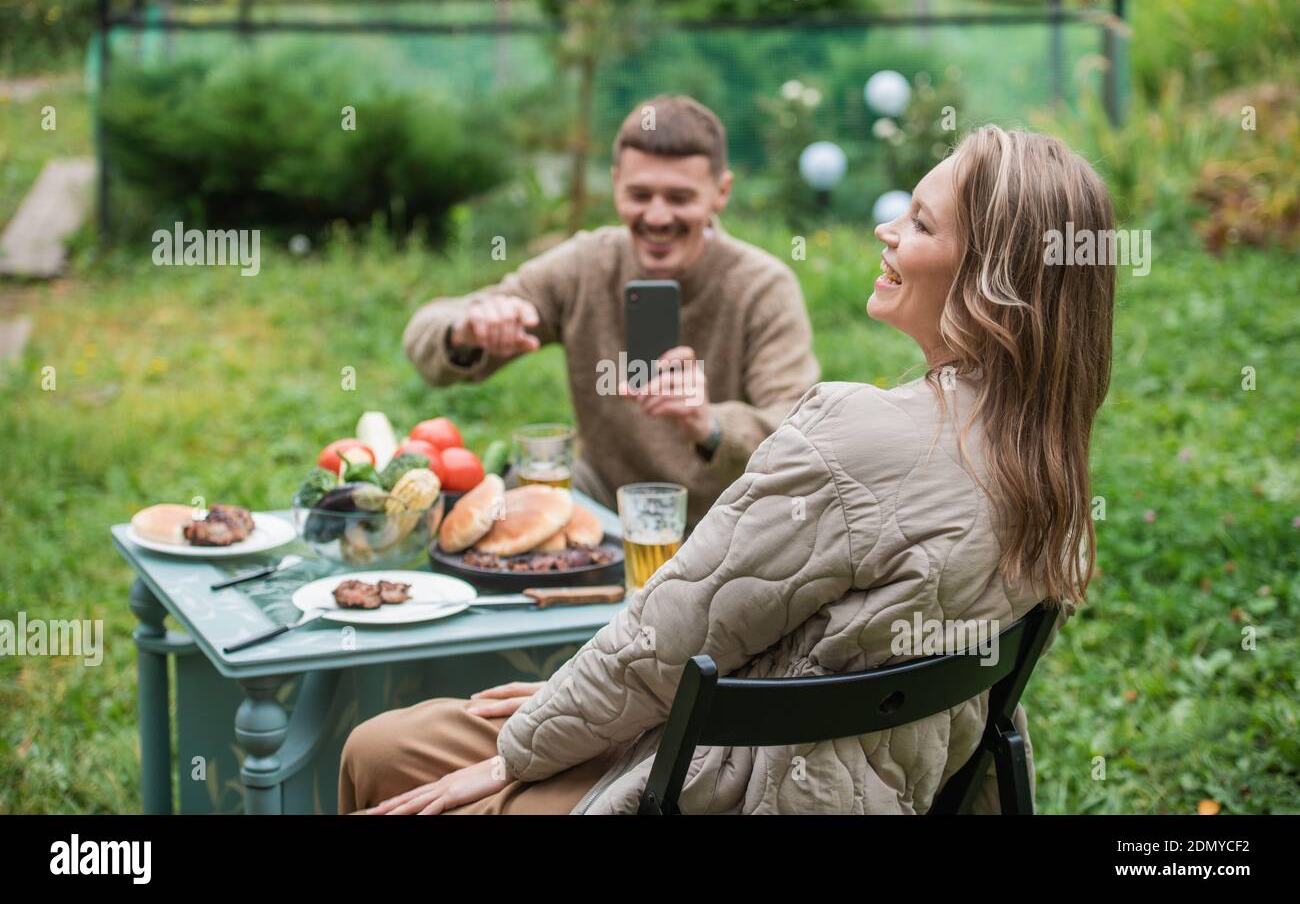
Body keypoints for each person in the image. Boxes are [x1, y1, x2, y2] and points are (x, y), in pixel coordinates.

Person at [340, 124, 1115, 814]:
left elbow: (669, 638)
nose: (886, 228)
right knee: (399, 745)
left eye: (918, 221)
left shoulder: (829, 393)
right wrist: (472, 329)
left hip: (716, 768)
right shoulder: (1042, 454)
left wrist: (521, 751)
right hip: (798, 735)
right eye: (637, 192)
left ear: (988, 276)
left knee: (378, 755)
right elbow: (715, 637)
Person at [402, 95, 819, 525]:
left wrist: (710, 424)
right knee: (509, 504)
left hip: (726, 518)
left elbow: (797, 438)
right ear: (616, 183)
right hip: (602, 504)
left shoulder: (762, 286)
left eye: (679, 197)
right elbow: (423, 337)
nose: (657, 217)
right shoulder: (586, 265)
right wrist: (467, 329)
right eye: (639, 194)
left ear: (721, 192)